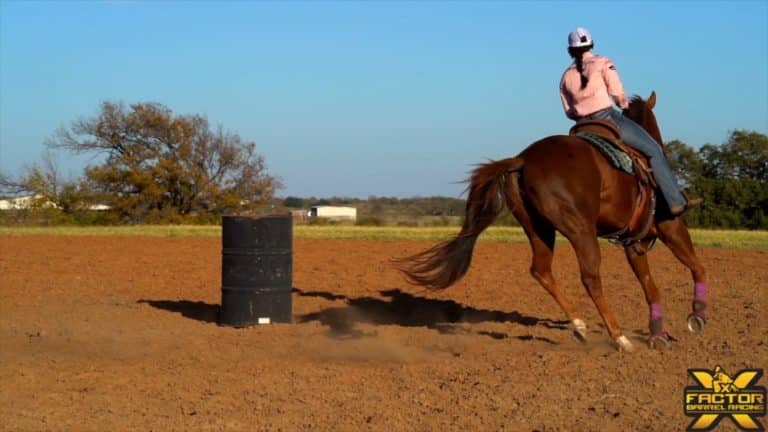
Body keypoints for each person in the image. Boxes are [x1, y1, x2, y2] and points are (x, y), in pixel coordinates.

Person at [559, 27, 701, 216]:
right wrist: (624, 104)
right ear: (591, 44)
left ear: (570, 49)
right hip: (606, 118)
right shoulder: (602, 62)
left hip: (581, 126)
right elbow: (616, 91)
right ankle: (675, 201)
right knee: (653, 150)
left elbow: (568, 110)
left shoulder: (565, 76)